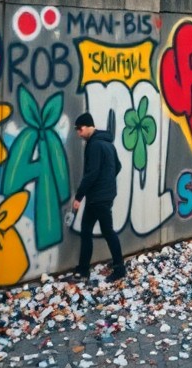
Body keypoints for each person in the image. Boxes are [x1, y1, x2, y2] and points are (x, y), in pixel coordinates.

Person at [71, 112, 126, 282]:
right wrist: (107, 181)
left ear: (88, 126)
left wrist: (78, 197)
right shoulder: (107, 143)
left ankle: (119, 268)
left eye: (80, 129)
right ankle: (83, 269)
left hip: (98, 197)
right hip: (103, 195)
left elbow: (92, 173)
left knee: (106, 231)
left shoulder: (94, 145)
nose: (79, 133)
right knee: (87, 230)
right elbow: (118, 166)